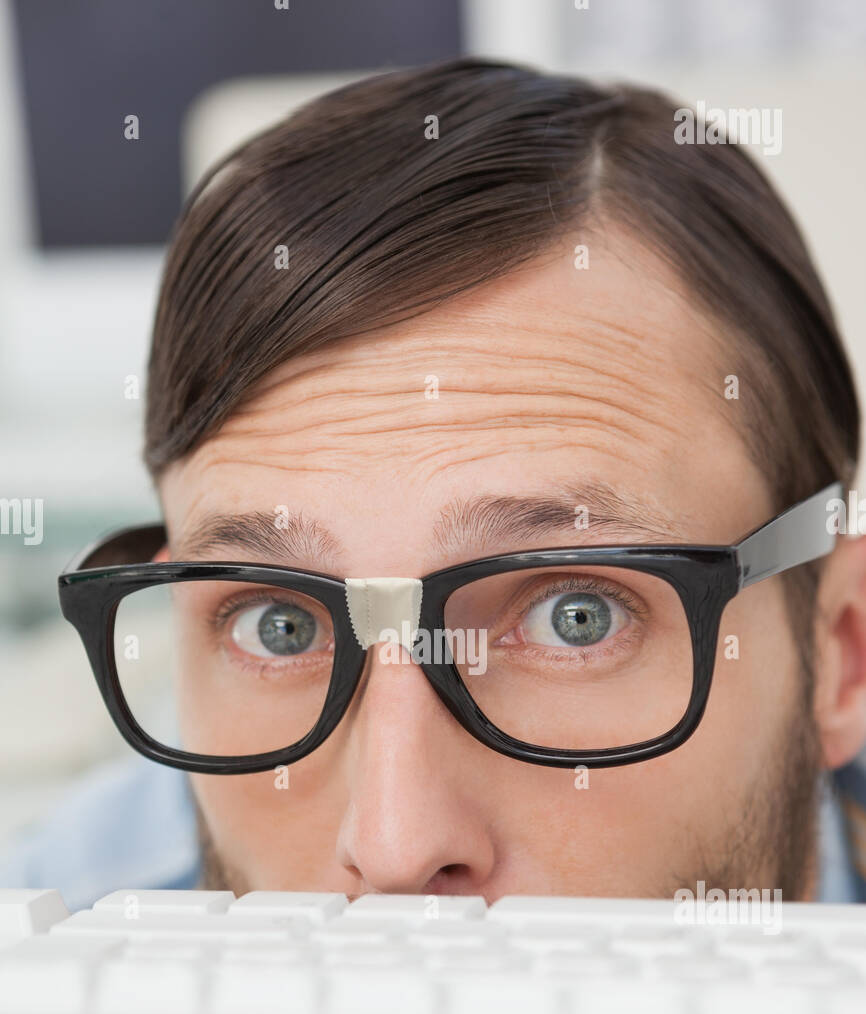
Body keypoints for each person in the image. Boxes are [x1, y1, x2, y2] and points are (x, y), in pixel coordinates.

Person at [3, 58, 866, 907]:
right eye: (280, 626)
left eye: (577, 617)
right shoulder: (57, 932)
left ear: (841, 654)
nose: (394, 850)